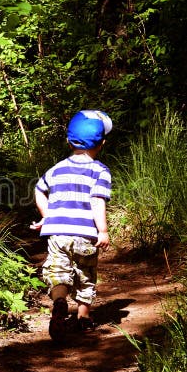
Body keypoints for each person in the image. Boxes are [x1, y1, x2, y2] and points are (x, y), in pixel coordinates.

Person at [30, 110, 112, 342]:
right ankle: (83, 318)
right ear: (101, 144)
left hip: (58, 234)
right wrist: (103, 230)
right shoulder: (100, 171)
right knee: (85, 274)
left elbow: (39, 190)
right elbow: (97, 200)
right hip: (85, 234)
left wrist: (48, 216)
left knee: (58, 270)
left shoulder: (56, 169)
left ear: (68, 141)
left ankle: (59, 303)